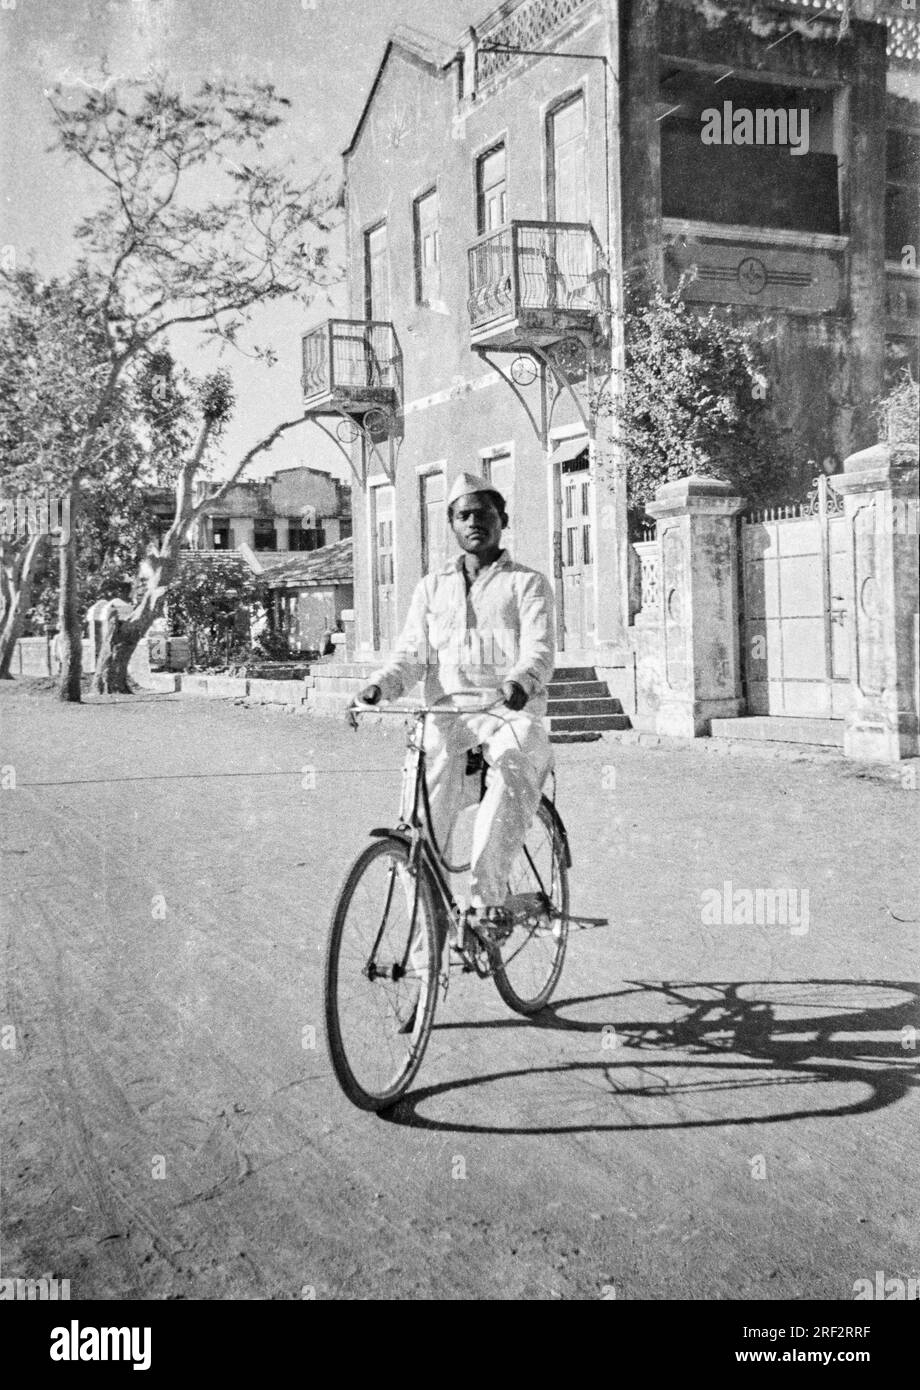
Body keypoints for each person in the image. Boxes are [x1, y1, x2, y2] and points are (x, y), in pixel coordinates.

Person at [354, 472, 555, 946]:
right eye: (462, 515)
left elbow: (540, 650)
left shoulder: (526, 583)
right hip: (446, 715)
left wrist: (520, 683)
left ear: (502, 520)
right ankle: (428, 933)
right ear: (451, 524)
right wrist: (379, 687)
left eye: (483, 513)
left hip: (506, 711)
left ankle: (488, 900)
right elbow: (409, 655)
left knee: (519, 752)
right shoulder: (430, 588)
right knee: (421, 820)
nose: (473, 522)